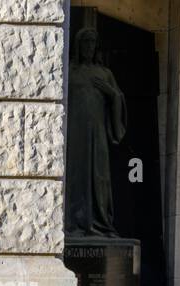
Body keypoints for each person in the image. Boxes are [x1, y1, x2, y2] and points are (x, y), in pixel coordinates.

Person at [65, 27, 127, 238]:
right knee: (76, 176)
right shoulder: (70, 72)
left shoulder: (105, 74)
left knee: (99, 176)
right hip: (75, 135)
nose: (89, 47)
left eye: (92, 43)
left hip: (98, 133)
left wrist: (112, 95)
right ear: (78, 45)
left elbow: (118, 100)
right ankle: (75, 222)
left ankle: (100, 222)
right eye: (85, 42)